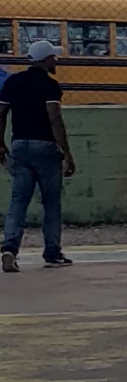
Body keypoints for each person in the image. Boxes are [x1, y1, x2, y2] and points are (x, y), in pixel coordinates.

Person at [0, 39, 76, 271]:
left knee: (18, 200)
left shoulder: (13, 82)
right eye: (53, 57)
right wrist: (66, 151)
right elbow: (54, 118)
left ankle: (9, 248)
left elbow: (0, 113)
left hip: (19, 146)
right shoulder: (50, 85)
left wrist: (0, 144)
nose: (56, 60)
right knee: (51, 202)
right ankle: (52, 252)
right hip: (45, 147)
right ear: (45, 60)